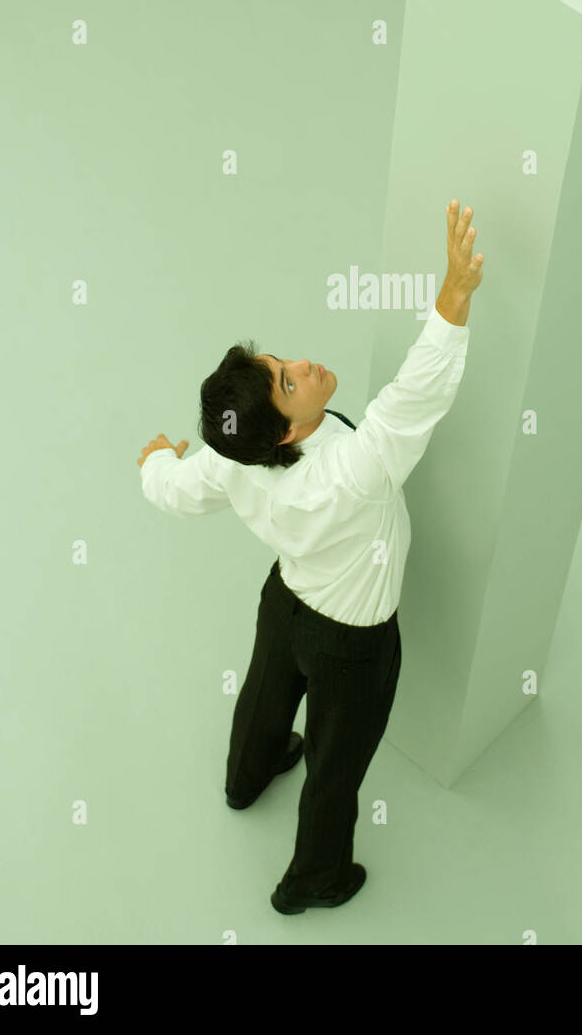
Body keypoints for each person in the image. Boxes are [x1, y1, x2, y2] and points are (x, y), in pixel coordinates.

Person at [138, 199, 484, 913]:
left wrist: (154, 462)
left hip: (285, 604)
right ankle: (315, 877)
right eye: (289, 382)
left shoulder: (231, 459)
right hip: (352, 644)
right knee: (336, 762)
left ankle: (247, 776)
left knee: (265, 697)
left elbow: (177, 486)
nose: (301, 364)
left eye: (279, 363)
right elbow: (411, 399)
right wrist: (453, 294)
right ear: (287, 435)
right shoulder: (352, 471)